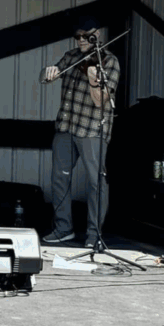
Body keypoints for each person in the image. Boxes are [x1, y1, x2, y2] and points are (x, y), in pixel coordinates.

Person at [41, 16, 121, 247]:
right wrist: (49, 72)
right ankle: (63, 228)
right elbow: (46, 78)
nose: (81, 40)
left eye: (86, 36)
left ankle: (94, 235)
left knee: (96, 182)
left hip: (92, 129)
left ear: (98, 35)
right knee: (59, 178)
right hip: (65, 126)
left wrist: (94, 81)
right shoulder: (71, 57)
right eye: (77, 36)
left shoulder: (109, 62)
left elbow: (100, 101)